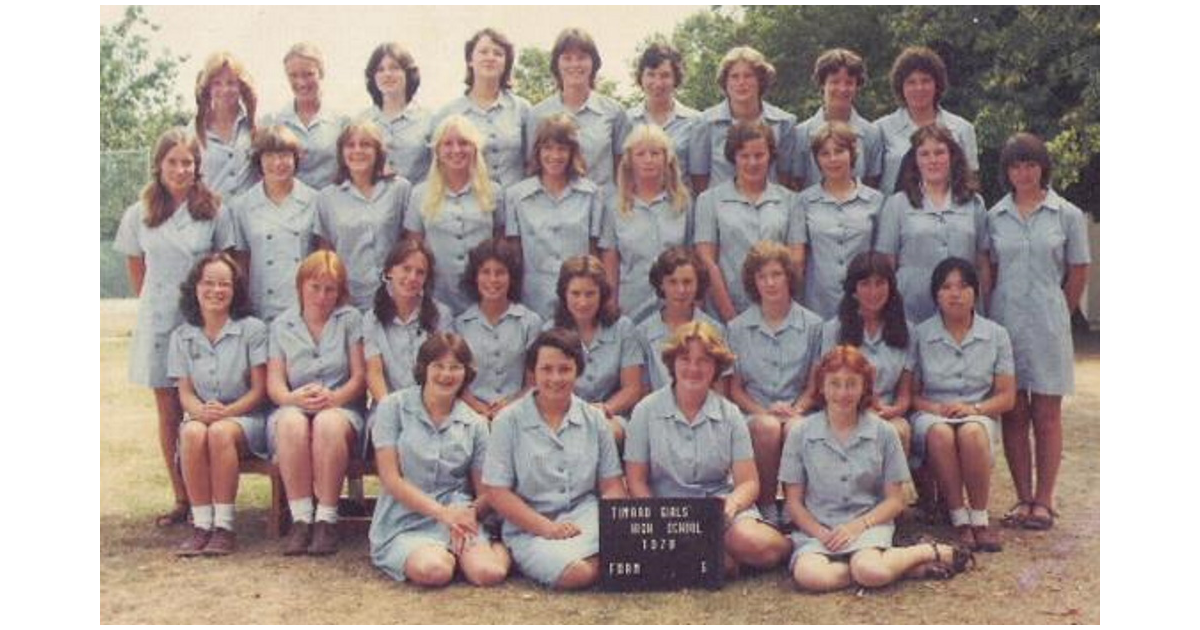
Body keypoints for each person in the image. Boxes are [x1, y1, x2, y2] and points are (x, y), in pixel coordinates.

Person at [114, 128, 235, 528]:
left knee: (207, 407)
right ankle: (182, 497)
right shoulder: (139, 214)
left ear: (198, 167)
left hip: (203, 321)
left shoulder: (214, 210)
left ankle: (214, 498)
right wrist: (158, 308)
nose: (181, 169)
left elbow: (227, 266)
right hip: (159, 322)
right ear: (159, 165)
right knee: (169, 412)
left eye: (188, 162)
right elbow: (138, 272)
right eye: (173, 162)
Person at [781, 346, 973, 591]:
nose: (842, 393)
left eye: (851, 384)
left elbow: (895, 501)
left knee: (871, 571)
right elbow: (794, 503)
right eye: (835, 384)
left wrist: (858, 526)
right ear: (821, 386)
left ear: (865, 387)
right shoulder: (800, 433)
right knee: (812, 577)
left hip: (868, 526)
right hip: (819, 532)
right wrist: (820, 533)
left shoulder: (884, 432)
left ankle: (929, 551)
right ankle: (901, 569)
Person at [985, 132, 1091, 531]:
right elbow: (989, 270)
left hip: (1048, 324)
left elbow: (1079, 269)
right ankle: (1022, 498)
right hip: (1005, 323)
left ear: (1043, 167)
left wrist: (1060, 312)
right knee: (1014, 411)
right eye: (1015, 165)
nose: (1023, 172)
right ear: (1006, 171)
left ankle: (1044, 500)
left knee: (1046, 414)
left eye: (1030, 164)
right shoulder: (994, 216)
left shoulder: (1066, 214)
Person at [625, 321, 791, 575]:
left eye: (703, 360)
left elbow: (748, 483)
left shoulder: (730, 413)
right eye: (685, 358)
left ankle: (788, 545)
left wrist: (731, 505)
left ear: (716, 367)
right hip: (668, 514)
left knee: (751, 542)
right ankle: (718, 559)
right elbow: (636, 481)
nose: (693, 368)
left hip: (720, 511)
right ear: (672, 363)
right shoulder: (645, 411)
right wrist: (658, 519)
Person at [482, 329, 628, 590]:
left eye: (565, 369)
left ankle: (600, 557)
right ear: (533, 373)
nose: (555, 378)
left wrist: (613, 528)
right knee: (576, 574)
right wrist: (547, 529)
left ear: (577, 370)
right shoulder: (508, 421)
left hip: (587, 517)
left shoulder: (594, 420)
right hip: (530, 524)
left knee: (628, 551)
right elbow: (497, 492)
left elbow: (612, 486)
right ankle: (593, 562)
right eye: (546, 369)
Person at [369, 333, 511, 585]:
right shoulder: (393, 407)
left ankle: (501, 547)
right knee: (435, 570)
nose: (446, 375)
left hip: (457, 516)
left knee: (490, 574)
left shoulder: (476, 423)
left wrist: (467, 513)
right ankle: (446, 556)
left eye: (455, 367)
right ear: (424, 368)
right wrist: (442, 514)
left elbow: (486, 492)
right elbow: (391, 479)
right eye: (439, 366)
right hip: (405, 518)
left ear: (466, 372)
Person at [911, 257, 1016, 552]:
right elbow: (912, 394)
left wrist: (975, 409)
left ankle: (980, 519)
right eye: (946, 287)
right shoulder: (920, 334)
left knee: (971, 432)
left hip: (977, 411)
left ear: (976, 292)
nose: (955, 294)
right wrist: (937, 409)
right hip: (933, 413)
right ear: (936, 294)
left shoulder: (996, 334)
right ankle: (959, 519)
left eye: (963, 286)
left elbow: (1007, 396)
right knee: (941, 433)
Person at [266, 251, 367, 556]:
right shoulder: (282, 324)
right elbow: (274, 383)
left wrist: (335, 398)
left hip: (341, 406)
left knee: (328, 422)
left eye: (330, 289)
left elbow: (360, 376)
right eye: (315, 287)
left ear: (340, 291)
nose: (322, 296)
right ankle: (300, 519)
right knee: (291, 422)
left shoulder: (350, 319)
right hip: (294, 404)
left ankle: (326, 519)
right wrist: (291, 398)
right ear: (300, 285)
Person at [167, 253, 268, 556]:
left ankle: (224, 527)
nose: (216, 290)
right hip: (203, 414)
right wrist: (198, 411)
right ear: (195, 288)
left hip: (245, 418)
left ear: (235, 289)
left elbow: (259, 391)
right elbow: (184, 392)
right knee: (192, 433)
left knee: (220, 432)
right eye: (208, 283)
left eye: (224, 284)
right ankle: (201, 525)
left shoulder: (252, 329)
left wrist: (228, 412)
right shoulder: (182, 337)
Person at [726, 241, 824, 525]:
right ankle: (767, 507)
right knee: (768, 428)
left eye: (776, 274)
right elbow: (735, 389)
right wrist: (763, 411)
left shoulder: (814, 325)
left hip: (799, 410)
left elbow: (814, 385)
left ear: (789, 277)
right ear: (752, 282)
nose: (770, 283)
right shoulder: (737, 328)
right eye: (762, 276)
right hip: (755, 412)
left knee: (796, 428)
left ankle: (798, 508)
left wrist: (796, 409)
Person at [876, 124, 989, 324]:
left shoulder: (974, 203)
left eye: (939, 152)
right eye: (924, 154)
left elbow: (982, 264)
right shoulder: (897, 204)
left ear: (952, 157)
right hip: (911, 310)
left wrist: (982, 308)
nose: (933, 160)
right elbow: (886, 266)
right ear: (915, 160)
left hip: (962, 310)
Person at [506, 114, 612, 318]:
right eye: (548, 148)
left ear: (572, 152)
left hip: (580, 303)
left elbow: (596, 252)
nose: (555, 156)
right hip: (534, 301)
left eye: (562, 148)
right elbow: (515, 255)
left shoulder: (591, 195)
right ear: (538, 151)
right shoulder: (517, 196)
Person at [694, 121, 802, 322]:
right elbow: (707, 262)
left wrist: (779, 310)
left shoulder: (791, 200)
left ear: (770, 155)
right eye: (744, 156)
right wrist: (731, 317)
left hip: (778, 314)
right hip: (726, 313)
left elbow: (796, 260)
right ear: (733, 157)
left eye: (759, 155)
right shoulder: (709, 200)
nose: (752, 162)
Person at [403, 114, 504, 314]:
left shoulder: (494, 192)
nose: (456, 150)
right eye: (447, 144)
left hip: (483, 298)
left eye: (464, 143)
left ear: (475, 148)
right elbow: (413, 249)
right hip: (437, 296)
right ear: (437, 151)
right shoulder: (419, 194)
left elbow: (502, 246)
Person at [820, 252, 914, 455]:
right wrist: (862, 408)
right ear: (853, 289)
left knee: (896, 431)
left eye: (880, 283)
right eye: (865, 284)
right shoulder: (833, 329)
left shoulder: (907, 331)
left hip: (888, 414)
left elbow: (905, 394)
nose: (873, 291)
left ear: (890, 286)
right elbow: (827, 387)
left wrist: (894, 410)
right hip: (843, 410)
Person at [313, 120, 411, 310]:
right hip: (350, 298)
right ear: (341, 152)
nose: (357, 150)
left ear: (378, 151)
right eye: (350, 145)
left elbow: (410, 243)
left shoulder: (400, 189)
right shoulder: (327, 197)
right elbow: (326, 255)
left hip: (395, 296)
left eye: (365, 144)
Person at [792, 121, 884, 319]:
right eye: (825, 153)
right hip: (817, 304)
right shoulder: (803, 201)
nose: (833, 159)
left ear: (852, 154)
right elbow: (798, 260)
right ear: (816, 160)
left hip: (864, 304)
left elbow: (882, 259)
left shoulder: (876, 200)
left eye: (840, 151)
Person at [549, 255, 646, 444]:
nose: (583, 302)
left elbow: (632, 388)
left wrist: (603, 410)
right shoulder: (550, 331)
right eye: (575, 294)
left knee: (604, 433)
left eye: (590, 293)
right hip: (563, 414)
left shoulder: (623, 328)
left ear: (602, 294)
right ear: (564, 294)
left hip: (610, 415)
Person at [602, 124, 693, 322]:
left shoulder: (683, 203)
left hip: (677, 303)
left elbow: (694, 256)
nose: (648, 160)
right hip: (632, 304)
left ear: (667, 158)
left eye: (655, 153)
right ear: (629, 160)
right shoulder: (614, 206)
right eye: (640, 154)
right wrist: (611, 304)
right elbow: (611, 260)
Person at [228, 124, 318, 321]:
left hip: (303, 307)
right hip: (261, 308)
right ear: (258, 160)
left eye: (285, 154)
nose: (278, 163)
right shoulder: (242, 206)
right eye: (269, 155)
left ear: (295, 158)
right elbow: (242, 262)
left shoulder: (315, 200)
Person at [526, 28, 628, 192]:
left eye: (582, 58)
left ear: (593, 63)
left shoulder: (614, 112)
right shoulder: (538, 114)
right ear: (556, 64)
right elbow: (532, 167)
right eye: (567, 58)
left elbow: (622, 167)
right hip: (555, 209)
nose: (575, 64)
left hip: (603, 207)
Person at [452, 238, 544, 420]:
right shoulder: (461, 324)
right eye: (485, 272)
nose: (492, 279)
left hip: (519, 413)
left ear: (512, 277)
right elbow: (457, 380)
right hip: (471, 415)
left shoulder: (530, 322)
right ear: (475, 276)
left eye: (500, 272)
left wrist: (510, 403)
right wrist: (477, 407)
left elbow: (534, 381)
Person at [434, 28, 532, 188]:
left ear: (506, 63)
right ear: (470, 60)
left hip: (514, 205)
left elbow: (533, 160)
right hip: (472, 207)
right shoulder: (448, 113)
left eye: (498, 53)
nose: (490, 58)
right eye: (483, 52)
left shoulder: (522, 109)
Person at [691, 46, 797, 192]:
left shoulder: (784, 123)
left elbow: (784, 176)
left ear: (760, 80)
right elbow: (699, 178)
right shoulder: (704, 123)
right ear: (725, 82)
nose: (741, 82)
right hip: (721, 209)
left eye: (748, 76)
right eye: (734, 76)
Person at [875, 46, 979, 195]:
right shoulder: (880, 130)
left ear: (937, 84)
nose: (919, 88)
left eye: (926, 81)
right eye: (911, 82)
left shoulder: (962, 129)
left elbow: (970, 182)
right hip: (894, 215)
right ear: (901, 87)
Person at [364, 238, 452, 403]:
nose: (412, 277)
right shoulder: (372, 319)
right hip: (388, 405)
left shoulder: (441, 315)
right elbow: (374, 372)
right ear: (390, 271)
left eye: (420, 272)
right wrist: (390, 410)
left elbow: (445, 368)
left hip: (433, 405)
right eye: (406, 268)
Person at [635, 247, 727, 393]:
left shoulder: (714, 330)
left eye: (687, 282)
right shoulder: (643, 333)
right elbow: (643, 389)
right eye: (672, 282)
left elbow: (719, 389)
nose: (681, 290)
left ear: (698, 284)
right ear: (661, 284)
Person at [793, 48, 883, 191]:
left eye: (849, 82)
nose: (842, 88)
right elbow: (797, 184)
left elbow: (872, 183)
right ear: (822, 84)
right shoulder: (801, 134)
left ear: (857, 86)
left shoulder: (871, 134)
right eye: (834, 82)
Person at [266, 43, 346, 190]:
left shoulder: (342, 122)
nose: (301, 82)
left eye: (308, 74)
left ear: (321, 73)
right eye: (293, 75)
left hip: (329, 206)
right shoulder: (274, 122)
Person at [626, 42, 700, 183]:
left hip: (681, 202)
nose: (658, 83)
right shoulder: (626, 120)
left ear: (676, 79)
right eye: (651, 75)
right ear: (641, 77)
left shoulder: (695, 122)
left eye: (665, 75)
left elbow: (699, 176)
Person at [362, 42, 432, 183]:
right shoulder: (361, 122)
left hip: (418, 201)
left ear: (408, 73)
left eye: (394, 68)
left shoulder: (429, 120)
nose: (387, 74)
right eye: (380, 70)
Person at [194, 51, 259, 198]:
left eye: (231, 83)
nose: (225, 90)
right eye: (217, 83)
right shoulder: (193, 132)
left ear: (241, 86)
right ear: (208, 88)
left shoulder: (256, 125)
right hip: (211, 217)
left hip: (249, 217)